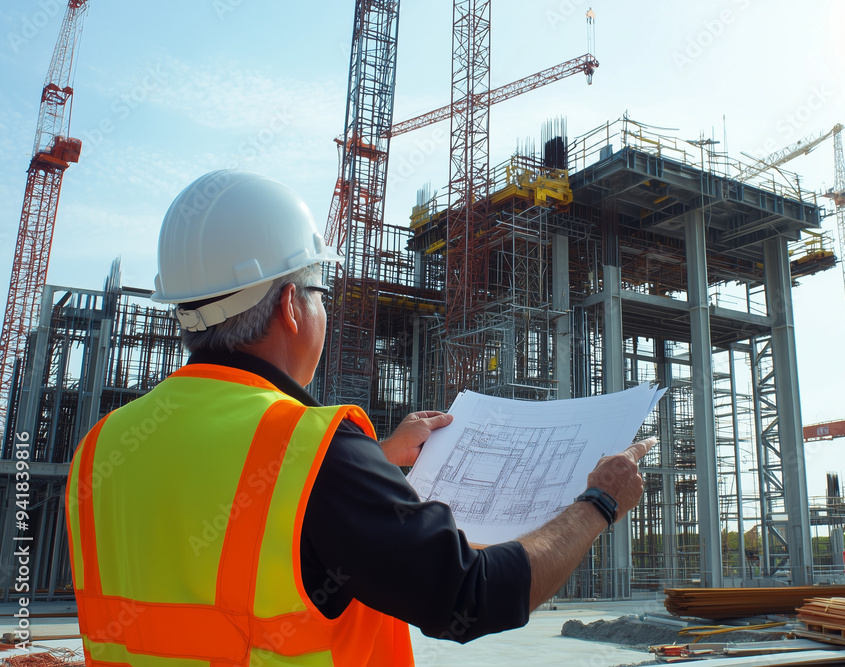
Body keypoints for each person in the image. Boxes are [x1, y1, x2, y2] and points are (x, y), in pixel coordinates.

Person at [65, 169, 654, 666]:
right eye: (320, 291)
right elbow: (470, 595)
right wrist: (598, 501)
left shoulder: (103, 446)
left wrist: (373, 463)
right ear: (292, 309)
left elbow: (247, 535)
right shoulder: (305, 450)